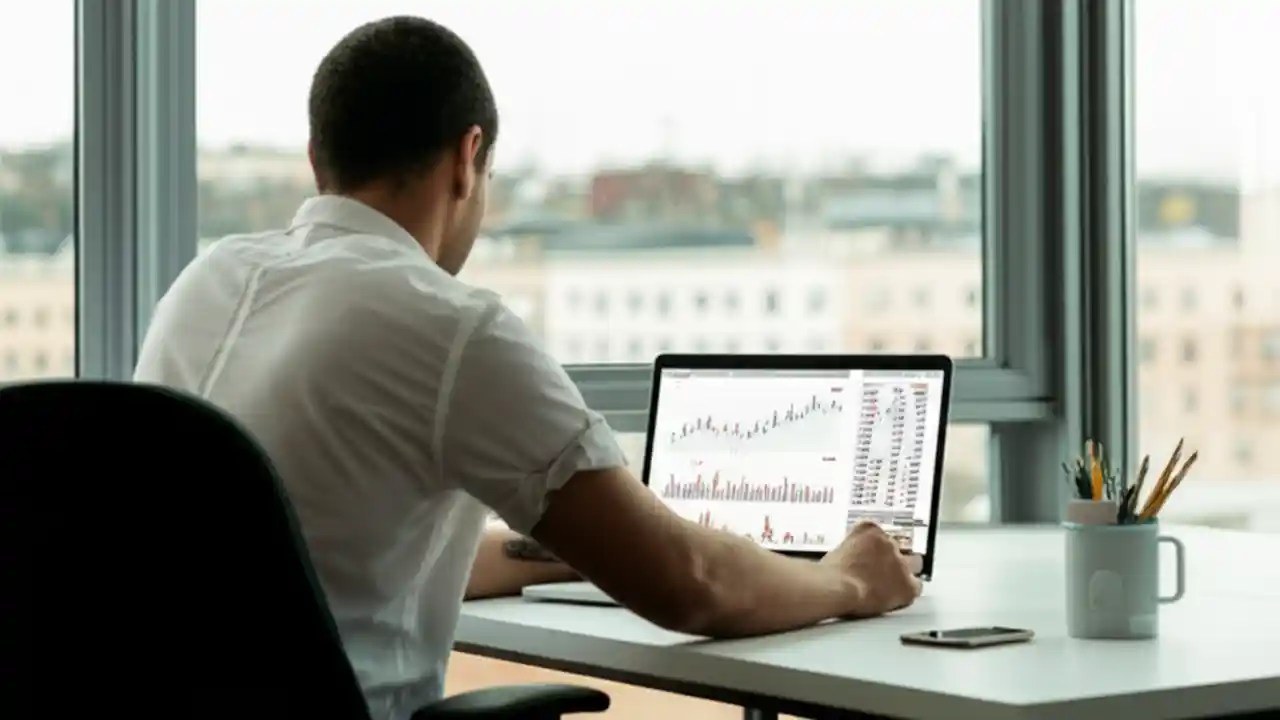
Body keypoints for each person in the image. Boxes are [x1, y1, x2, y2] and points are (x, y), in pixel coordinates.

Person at [134, 15, 921, 720]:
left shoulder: (203, 284)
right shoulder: (448, 326)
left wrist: (561, 546)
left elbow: (315, 566)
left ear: (317, 158)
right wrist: (847, 581)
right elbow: (690, 583)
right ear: (467, 157)